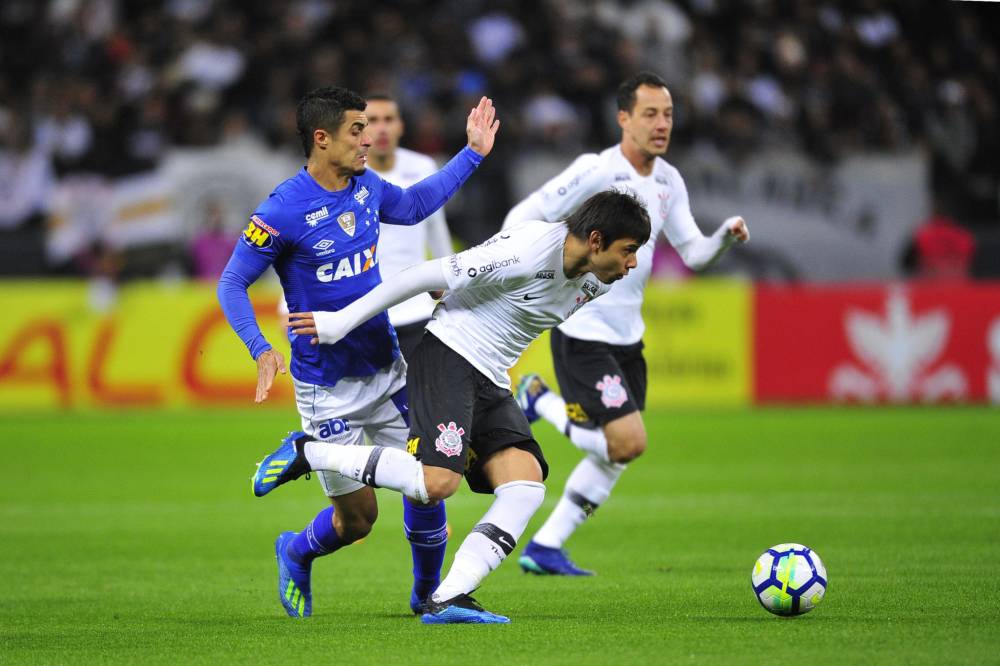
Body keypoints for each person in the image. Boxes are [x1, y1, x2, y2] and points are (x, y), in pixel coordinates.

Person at [251, 190, 652, 623]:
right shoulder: (529, 250)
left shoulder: (594, 281)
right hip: (448, 355)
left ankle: (449, 597)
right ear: (595, 240)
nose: (633, 264)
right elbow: (420, 276)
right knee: (437, 483)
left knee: (526, 482)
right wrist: (342, 320)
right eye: (628, 251)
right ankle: (307, 452)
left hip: (490, 378)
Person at [218, 86, 499, 618]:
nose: (368, 138)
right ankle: (295, 549)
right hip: (326, 389)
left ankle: (428, 599)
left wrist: (473, 154)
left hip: (387, 369)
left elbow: (416, 204)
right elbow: (232, 283)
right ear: (321, 139)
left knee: (429, 483)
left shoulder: (366, 187)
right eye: (356, 129)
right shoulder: (282, 209)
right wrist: (260, 349)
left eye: (367, 126)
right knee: (358, 521)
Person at [504, 71, 750, 576]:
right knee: (628, 442)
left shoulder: (668, 181)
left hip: (628, 338)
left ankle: (547, 547)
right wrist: (525, 269)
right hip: (582, 330)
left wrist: (723, 236)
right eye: (650, 114)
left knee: (617, 453)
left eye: (668, 115)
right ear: (623, 119)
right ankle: (540, 400)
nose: (661, 125)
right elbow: (524, 215)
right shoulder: (595, 171)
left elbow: (695, 254)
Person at [365, 94, 454, 358]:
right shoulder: (347, 176)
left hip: (418, 311)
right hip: (368, 312)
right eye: (372, 120)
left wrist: (451, 288)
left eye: (388, 119)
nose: (381, 128)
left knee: (424, 397)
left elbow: (438, 231)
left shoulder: (423, 166)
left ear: (400, 126)